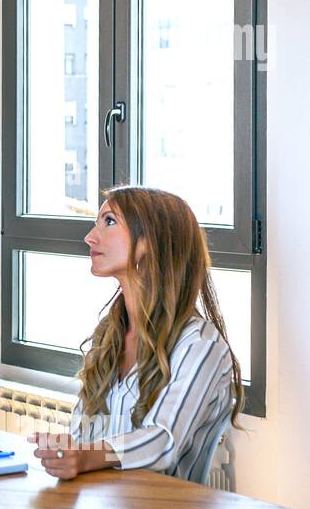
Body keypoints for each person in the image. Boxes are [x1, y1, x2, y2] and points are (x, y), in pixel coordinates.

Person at [28, 186, 246, 482]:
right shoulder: (109, 334)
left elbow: (164, 440)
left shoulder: (200, 345)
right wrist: (63, 451)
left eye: (109, 222)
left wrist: (87, 455)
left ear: (150, 242)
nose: (90, 237)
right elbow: (84, 437)